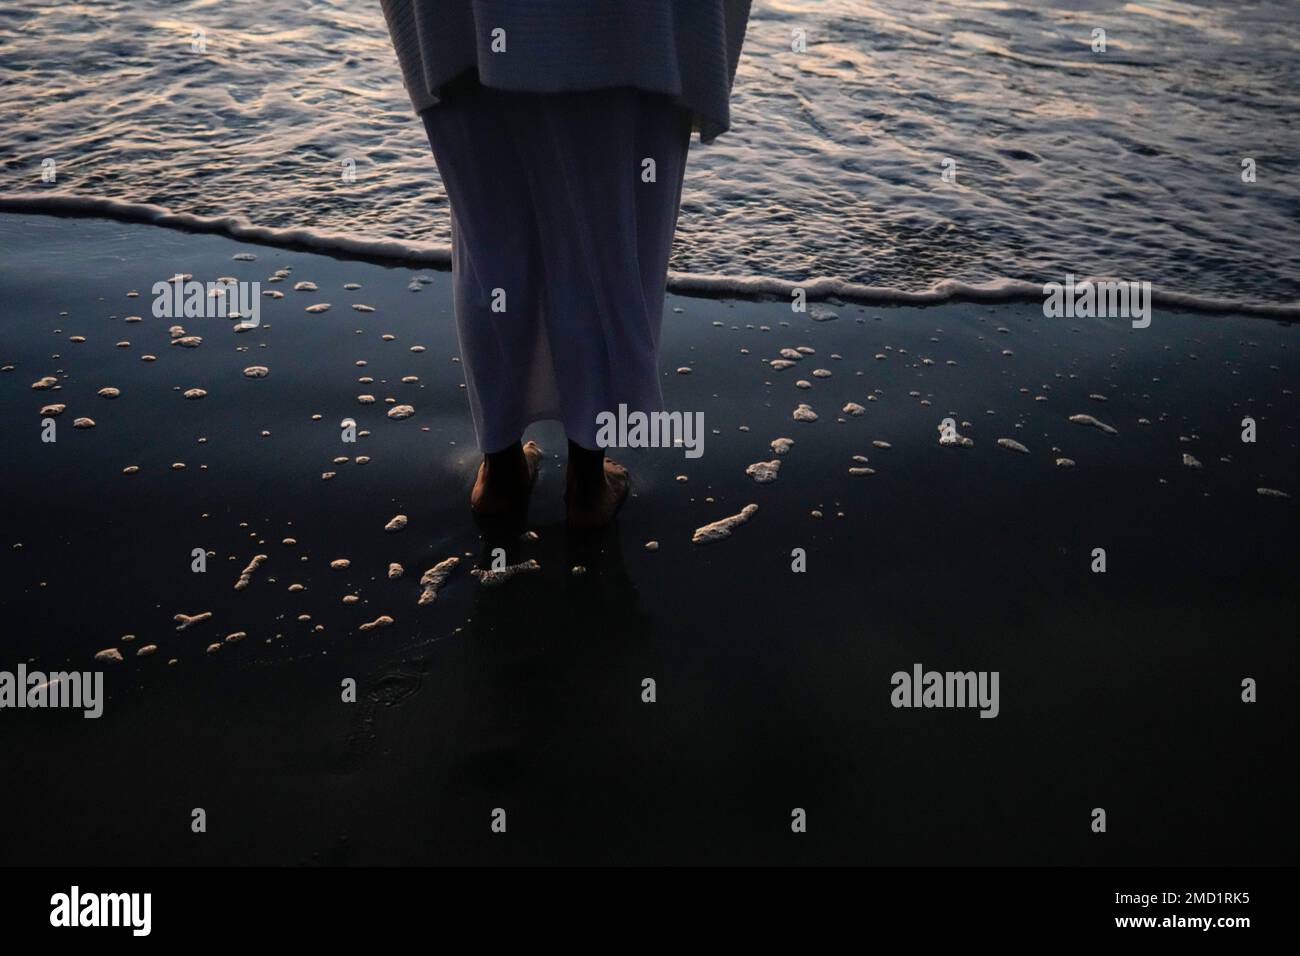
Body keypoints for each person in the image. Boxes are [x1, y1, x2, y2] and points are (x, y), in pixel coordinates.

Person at [380, 0, 751, 528]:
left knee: (487, 235)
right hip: (629, 30)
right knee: (613, 241)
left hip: (460, 20)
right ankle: (587, 481)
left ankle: (501, 472)